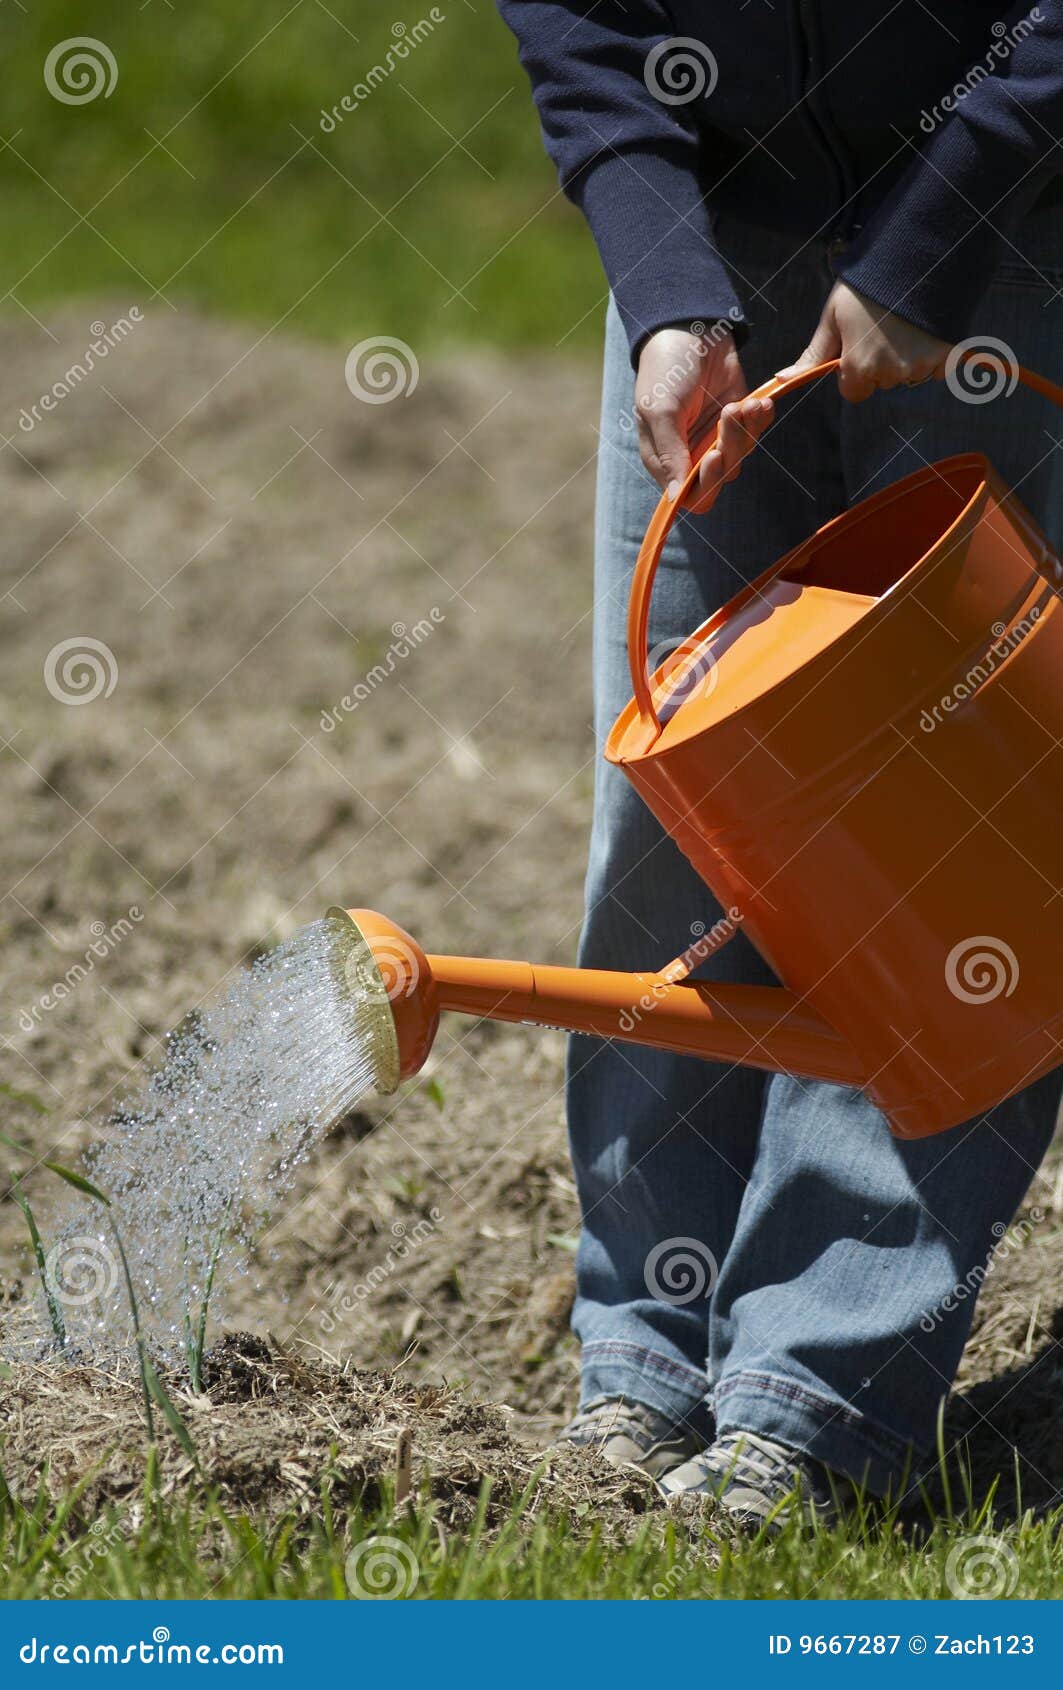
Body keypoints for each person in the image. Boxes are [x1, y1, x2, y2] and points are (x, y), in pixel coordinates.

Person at [495, 1, 1063, 1525]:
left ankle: (813, 1400)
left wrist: (935, 236)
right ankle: (645, 1364)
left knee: (941, 826)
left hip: (1009, 219)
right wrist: (667, 281)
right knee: (682, 807)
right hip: (711, 218)